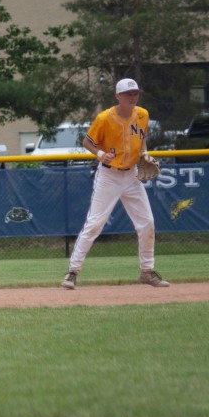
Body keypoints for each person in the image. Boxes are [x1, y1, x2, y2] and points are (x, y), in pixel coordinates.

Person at [61, 78, 170, 290]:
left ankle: (147, 272)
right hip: (109, 176)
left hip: (131, 176)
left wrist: (144, 154)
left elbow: (142, 138)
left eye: (135, 93)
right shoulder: (104, 118)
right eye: (128, 94)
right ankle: (72, 272)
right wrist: (101, 154)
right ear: (118, 96)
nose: (133, 97)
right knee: (94, 224)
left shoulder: (142, 114)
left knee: (147, 223)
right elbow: (87, 141)